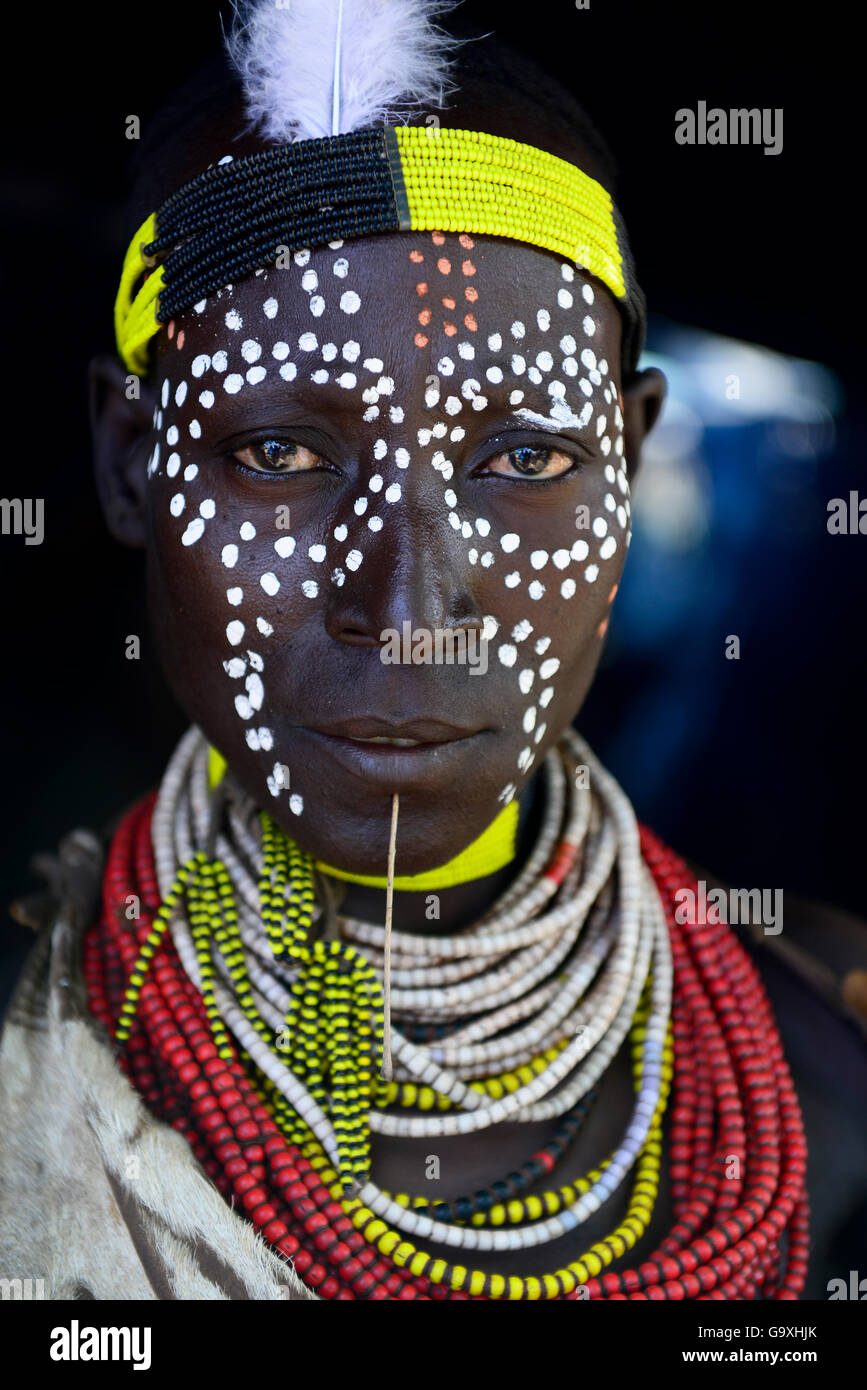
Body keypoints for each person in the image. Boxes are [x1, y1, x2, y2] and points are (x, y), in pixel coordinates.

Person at [0, 0, 860, 1302]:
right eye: (280, 451)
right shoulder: (29, 1032)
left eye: (524, 458)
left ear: (623, 467)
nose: (409, 600)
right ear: (133, 460)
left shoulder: (829, 1048)